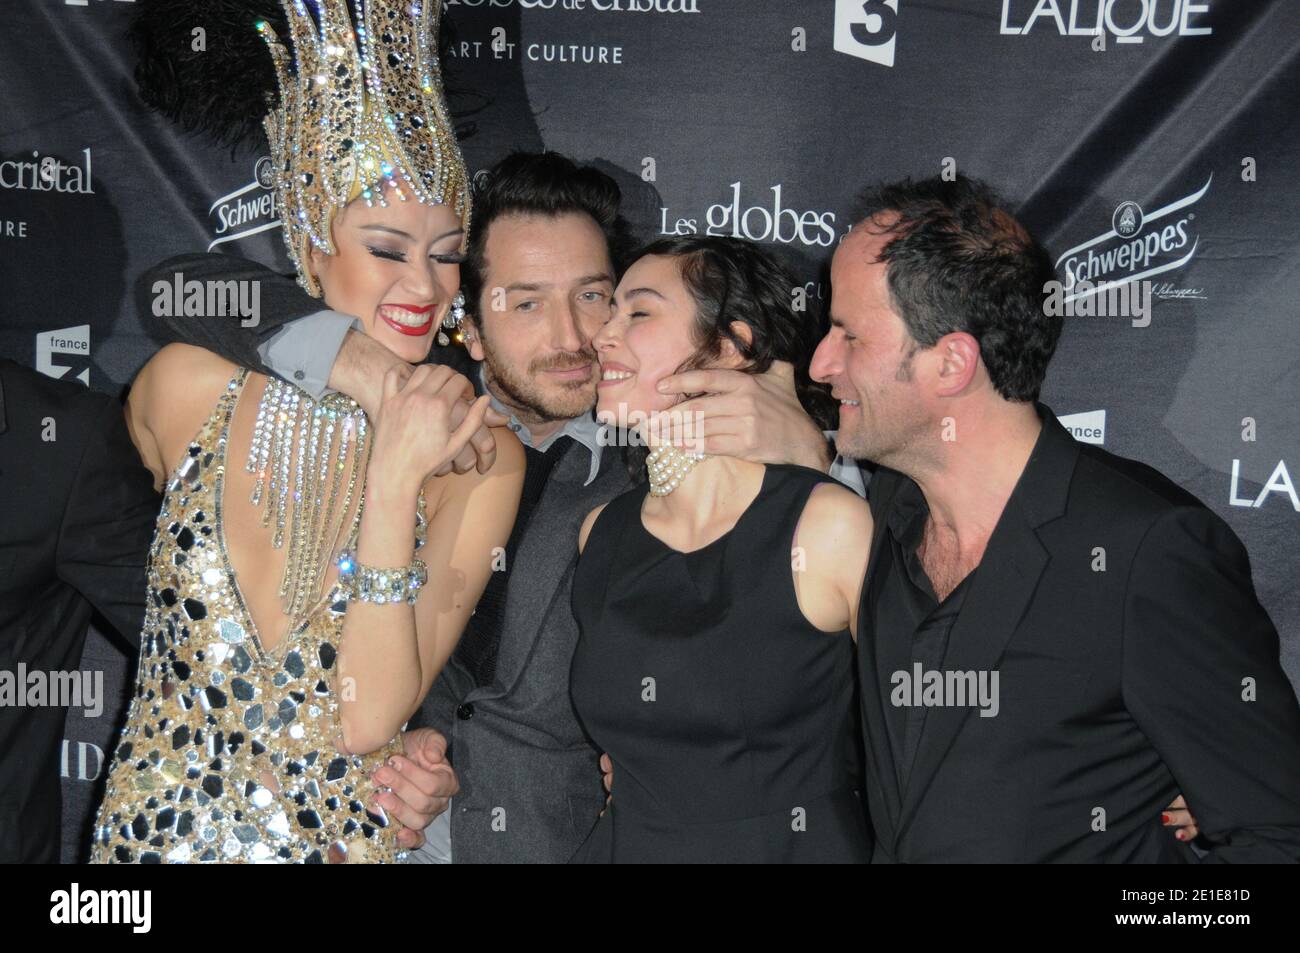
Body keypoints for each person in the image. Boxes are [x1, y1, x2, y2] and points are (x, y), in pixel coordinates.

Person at [135, 151, 849, 862]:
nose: (572, 336)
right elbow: (173, 288)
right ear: (468, 326)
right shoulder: (415, 400)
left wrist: (805, 444)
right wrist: (379, 377)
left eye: (595, 295)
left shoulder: (661, 461)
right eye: (527, 302)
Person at [89, 0, 523, 863]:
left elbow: (366, 715)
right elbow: (177, 291)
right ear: (312, 246)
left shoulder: (479, 452)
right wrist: (363, 370)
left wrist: (395, 479)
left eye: (445, 252)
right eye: (386, 247)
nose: (425, 283)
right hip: (147, 847)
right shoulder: (185, 385)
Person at [810, 173, 1300, 861]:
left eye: (847, 335)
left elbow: (1279, 838)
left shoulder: (1144, 550)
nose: (820, 362)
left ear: (951, 362)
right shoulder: (885, 514)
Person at [568, 236, 874, 862]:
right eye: (611, 311)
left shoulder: (826, 524)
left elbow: (924, 740)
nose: (602, 335)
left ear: (732, 347)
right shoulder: (600, 531)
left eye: (640, 312)